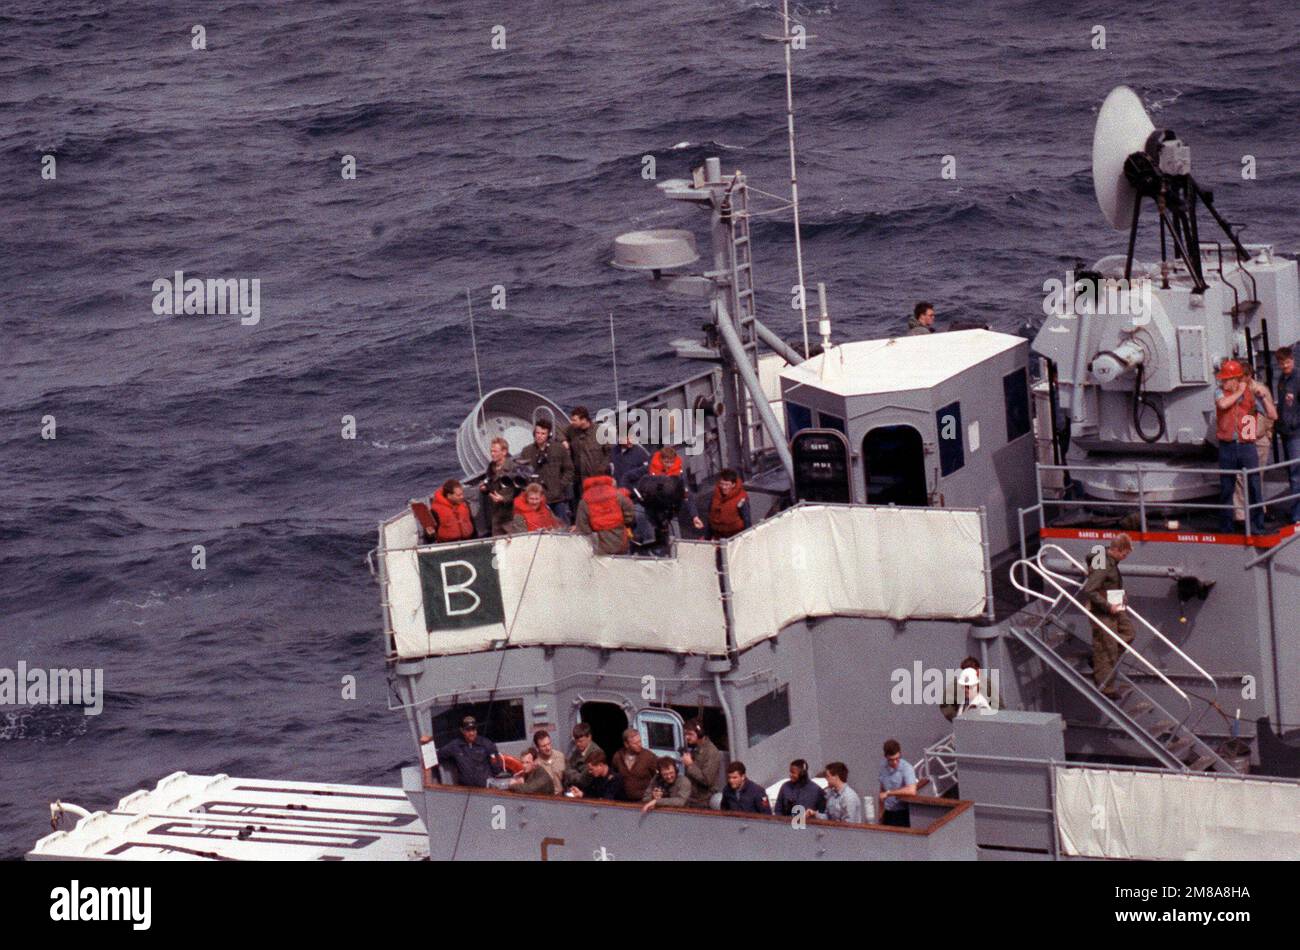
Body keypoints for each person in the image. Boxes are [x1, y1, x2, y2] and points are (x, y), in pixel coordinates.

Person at [1214, 359, 1275, 534]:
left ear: (1236, 379)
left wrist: (1263, 398)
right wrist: (1239, 393)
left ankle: (1258, 526)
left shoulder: (1251, 394)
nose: (1223, 382)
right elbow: (1223, 404)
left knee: (1254, 486)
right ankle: (1226, 528)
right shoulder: (1219, 393)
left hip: (1247, 447)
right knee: (1227, 488)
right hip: (1227, 447)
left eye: (1226, 379)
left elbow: (1272, 414)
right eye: (1223, 379)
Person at [1081, 533, 1135, 698]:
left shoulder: (1110, 560)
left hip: (1114, 605)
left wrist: (1121, 594)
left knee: (1129, 632)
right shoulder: (1103, 564)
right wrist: (1107, 606)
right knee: (1108, 646)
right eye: (1125, 554)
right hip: (1102, 610)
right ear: (1118, 550)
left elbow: (1108, 583)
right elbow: (1090, 589)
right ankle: (1106, 687)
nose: (1125, 558)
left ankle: (1098, 660)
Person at [1233, 366, 1276, 524]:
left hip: (1259, 438)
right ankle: (1240, 515)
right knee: (1240, 477)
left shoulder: (1260, 390)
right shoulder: (1236, 391)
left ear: (1249, 375)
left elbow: (1271, 414)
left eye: (1241, 376)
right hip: (1244, 439)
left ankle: (1259, 511)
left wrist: (1268, 434)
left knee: (1257, 477)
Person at [518, 419, 574, 524]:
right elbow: (522, 474)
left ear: (549, 435)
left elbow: (569, 470)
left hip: (557, 498)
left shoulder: (559, 449)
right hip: (536, 500)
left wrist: (560, 486)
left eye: (543, 433)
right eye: (537, 433)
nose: (539, 436)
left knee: (562, 526)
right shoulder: (527, 451)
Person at [435, 716, 504, 787]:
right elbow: (436, 756)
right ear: (462, 730)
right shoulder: (455, 746)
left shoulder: (486, 744)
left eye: (474, 729)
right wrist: (427, 743)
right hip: (465, 791)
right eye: (468, 730)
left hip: (485, 790)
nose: (471, 733)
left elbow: (497, 769)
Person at [575, 474, 636, 554]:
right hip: (620, 539)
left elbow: (582, 527)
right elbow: (629, 511)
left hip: (600, 544)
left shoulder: (584, 501)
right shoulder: (616, 494)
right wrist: (626, 523)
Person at [1275, 346, 1300, 523]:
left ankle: (1298, 513)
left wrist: (1295, 423)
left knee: (1296, 473)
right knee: (1292, 473)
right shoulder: (1282, 381)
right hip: (1286, 433)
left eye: (1288, 361)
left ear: (1293, 360)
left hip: (1296, 433)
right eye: (1282, 363)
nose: (1285, 365)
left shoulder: (1297, 378)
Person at [564, 407, 611, 497]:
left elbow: (609, 453)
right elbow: (560, 432)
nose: (572, 422)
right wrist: (563, 441)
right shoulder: (571, 430)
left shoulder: (600, 431)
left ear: (583, 420)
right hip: (579, 478)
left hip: (597, 477)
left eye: (574, 420)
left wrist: (602, 469)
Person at [478, 436, 518, 536]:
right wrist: (484, 489)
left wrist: (504, 499)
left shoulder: (513, 468)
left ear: (504, 452)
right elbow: (490, 484)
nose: (492, 454)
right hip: (496, 514)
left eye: (495, 451)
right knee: (498, 545)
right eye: (491, 451)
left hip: (511, 515)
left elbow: (520, 491)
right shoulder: (491, 467)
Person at [681, 719, 724, 809]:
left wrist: (690, 765)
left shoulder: (711, 752)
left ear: (700, 734)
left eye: (690, 734)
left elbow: (707, 780)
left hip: (703, 801)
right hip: (691, 798)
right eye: (685, 734)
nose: (687, 737)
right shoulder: (695, 749)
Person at [877, 739, 918, 827]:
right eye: (891, 760)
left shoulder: (907, 768)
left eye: (897, 759)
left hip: (902, 813)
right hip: (888, 812)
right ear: (886, 757)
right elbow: (882, 790)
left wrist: (889, 793)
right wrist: (880, 813)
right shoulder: (883, 767)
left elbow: (912, 790)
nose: (895, 762)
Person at [612, 728, 658, 802]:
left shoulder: (649, 757)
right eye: (635, 743)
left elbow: (657, 776)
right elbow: (614, 776)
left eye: (639, 741)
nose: (639, 745)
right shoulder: (618, 757)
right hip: (623, 800)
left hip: (643, 800)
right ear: (626, 744)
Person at [706, 469, 751, 539]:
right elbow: (710, 516)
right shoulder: (715, 495)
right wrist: (707, 538)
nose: (724, 487)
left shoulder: (741, 498)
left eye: (727, 484)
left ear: (733, 484)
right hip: (718, 535)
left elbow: (746, 519)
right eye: (722, 484)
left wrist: (747, 537)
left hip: (735, 535)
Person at [562, 723, 604, 791]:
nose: (578, 744)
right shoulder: (578, 750)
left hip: (589, 792)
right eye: (576, 741)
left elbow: (582, 780)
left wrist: (570, 774)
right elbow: (567, 768)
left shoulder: (596, 754)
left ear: (589, 737)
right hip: (575, 789)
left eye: (581, 741)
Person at [531, 730, 565, 794]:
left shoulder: (560, 756)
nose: (548, 748)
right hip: (547, 798)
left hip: (562, 796)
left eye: (549, 744)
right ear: (537, 748)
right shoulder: (536, 764)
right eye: (543, 746)